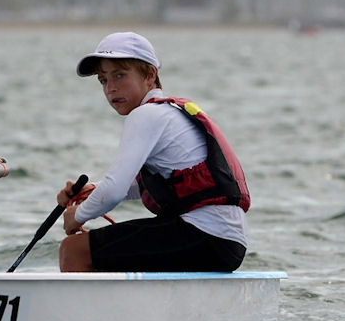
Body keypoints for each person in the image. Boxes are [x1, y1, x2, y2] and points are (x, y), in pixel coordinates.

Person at [56, 31, 250, 273]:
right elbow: (142, 185)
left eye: (120, 75)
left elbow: (114, 189)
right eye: (103, 80)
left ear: (150, 75)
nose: (111, 88)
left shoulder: (146, 115)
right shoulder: (168, 112)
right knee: (112, 247)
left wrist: (78, 215)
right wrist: (89, 191)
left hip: (205, 234)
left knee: (74, 250)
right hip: (227, 241)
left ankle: (84, 312)